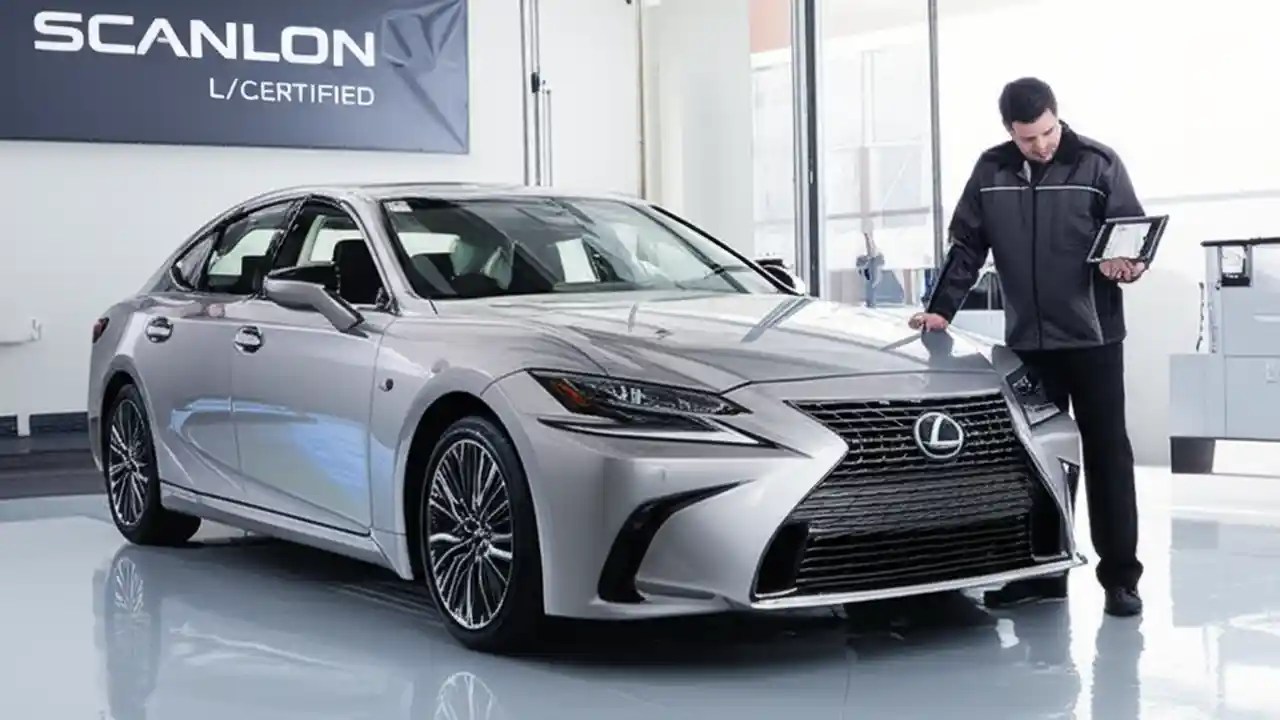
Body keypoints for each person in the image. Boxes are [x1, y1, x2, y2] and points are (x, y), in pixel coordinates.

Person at [909, 77, 1146, 617]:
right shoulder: (991, 170)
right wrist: (942, 308)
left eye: (1047, 133)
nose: (1040, 146)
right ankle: (1042, 575)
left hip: (1094, 339)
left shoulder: (1099, 164)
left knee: (1107, 454)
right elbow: (966, 246)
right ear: (1009, 132)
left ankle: (1120, 579)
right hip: (1030, 345)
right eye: (1028, 138)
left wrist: (1128, 265)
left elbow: (1129, 236)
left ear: (1057, 117)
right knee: (1036, 459)